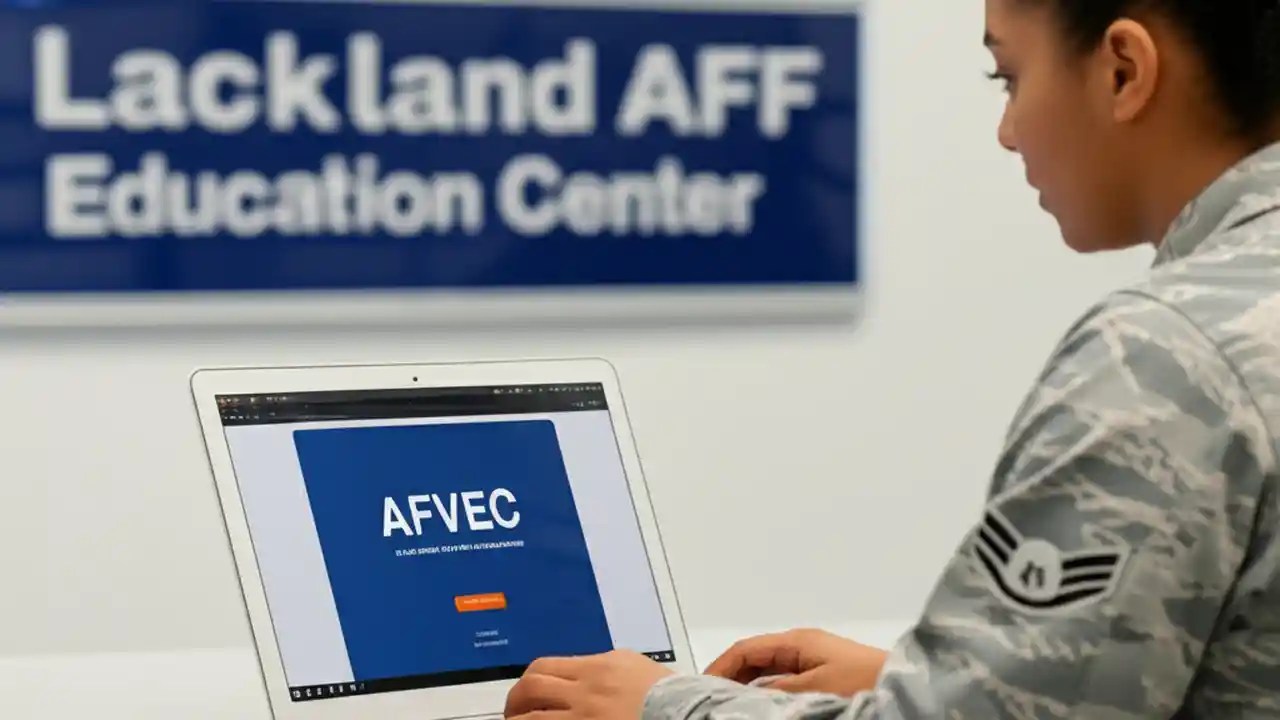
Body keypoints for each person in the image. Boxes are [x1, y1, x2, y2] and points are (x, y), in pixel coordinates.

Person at [502, 0, 1280, 717]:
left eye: (1008, 77)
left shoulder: (1169, 355)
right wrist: (932, 684)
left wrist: (663, 707)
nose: (1007, 132)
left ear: (1124, 71)